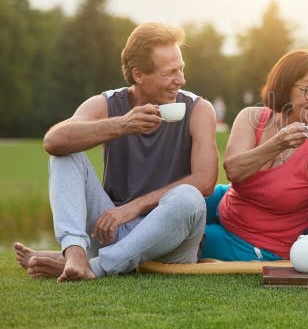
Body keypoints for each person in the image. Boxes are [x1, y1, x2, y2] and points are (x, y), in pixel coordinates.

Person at [15, 22, 218, 281]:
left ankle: (94, 267)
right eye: (170, 73)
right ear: (139, 75)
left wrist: (133, 208)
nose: (181, 80)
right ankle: (75, 253)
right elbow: (54, 141)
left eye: (181, 69)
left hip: (172, 241)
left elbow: (205, 181)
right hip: (112, 231)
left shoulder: (199, 109)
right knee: (65, 155)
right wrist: (122, 125)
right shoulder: (108, 103)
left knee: (189, 197)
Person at [201, 50, 308, 267]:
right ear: (285, 86)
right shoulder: (251, 117)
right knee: (182, 201)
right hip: (229, 201)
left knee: (183, 238)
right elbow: (233, 170)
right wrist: (278, 143)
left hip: (261, 243)